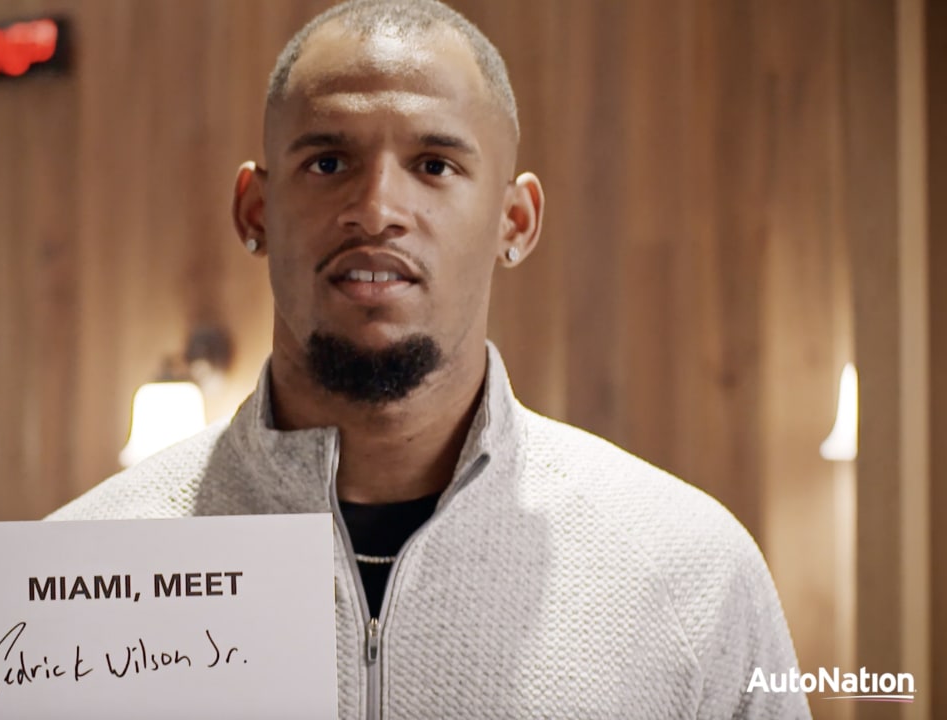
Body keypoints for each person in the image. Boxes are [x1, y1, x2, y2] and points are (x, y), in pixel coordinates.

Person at [51, 0, 810, 717]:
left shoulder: (692, 572)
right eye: (328, 163)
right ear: (256, 211)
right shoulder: (80, 578)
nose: (378, 208)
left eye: (435, 165)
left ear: (515, 221)